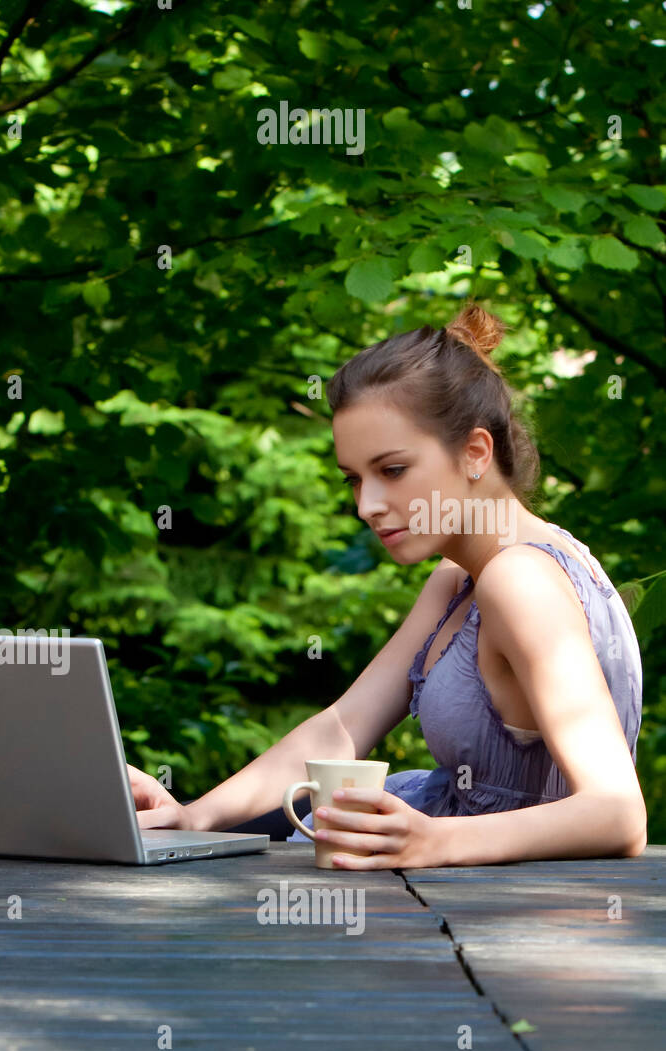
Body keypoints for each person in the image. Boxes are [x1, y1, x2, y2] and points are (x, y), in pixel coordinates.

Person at [127, 302, 646, 869]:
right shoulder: (459, 579)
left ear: (475, 452)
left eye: (392, 470)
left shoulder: (520, 579)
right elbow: (343, 727)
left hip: (502, 920)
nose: (367, 507)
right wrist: (193, 815)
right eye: (354, 479)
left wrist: (437, 842)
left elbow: (617, 813)